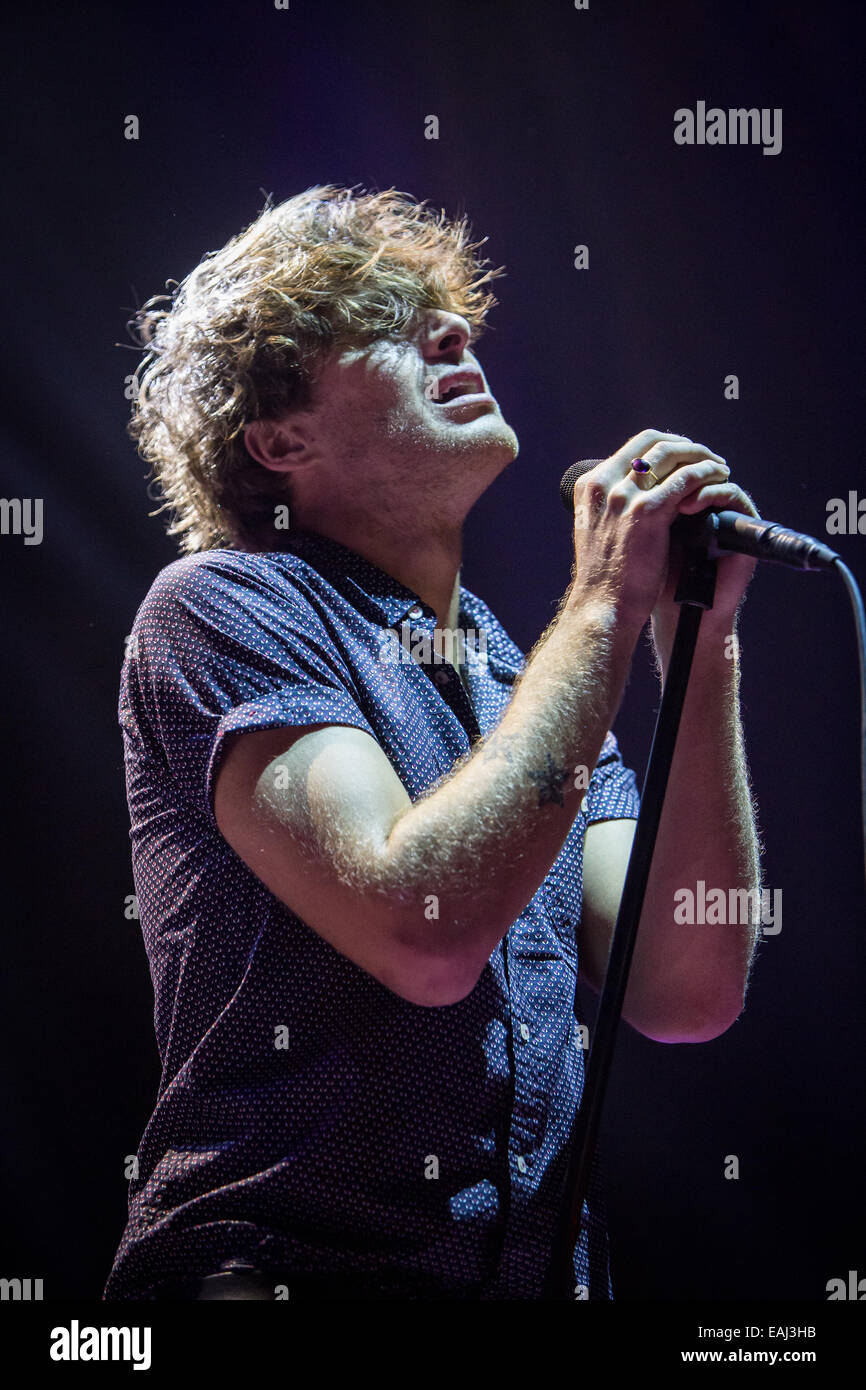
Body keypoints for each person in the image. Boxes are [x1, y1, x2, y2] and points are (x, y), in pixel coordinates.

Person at [104, 185, 762, 1301]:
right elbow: (421, 929)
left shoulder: (527, 680)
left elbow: (684, 985)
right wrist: (603, 605)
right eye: (387, 325)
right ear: (279, 438)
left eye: (450, 318)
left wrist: (698, 646)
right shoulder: (222, 605)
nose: (455, 334)